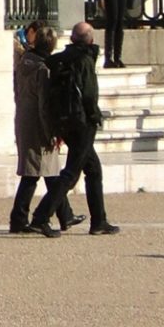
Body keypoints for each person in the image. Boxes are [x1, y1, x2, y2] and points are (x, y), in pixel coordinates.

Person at [32, 21, 120, 237]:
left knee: (93, 169)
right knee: (71, 174)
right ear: (90, 39)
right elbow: (89, 94)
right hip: (81, 122)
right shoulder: (84, 60)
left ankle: (99, 220)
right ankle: (41, 217)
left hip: (64, 121)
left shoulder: (59, 60)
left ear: (72, 39)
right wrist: (94, 116)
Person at [9, 24, 83, 235]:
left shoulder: (24, 62)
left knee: (49, 172)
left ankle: (65, 213)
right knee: (32, 174)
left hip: (24, 117)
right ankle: (19, 218)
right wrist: (51, 131)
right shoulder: (43, 68)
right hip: (37, 123)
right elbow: (44, 104)